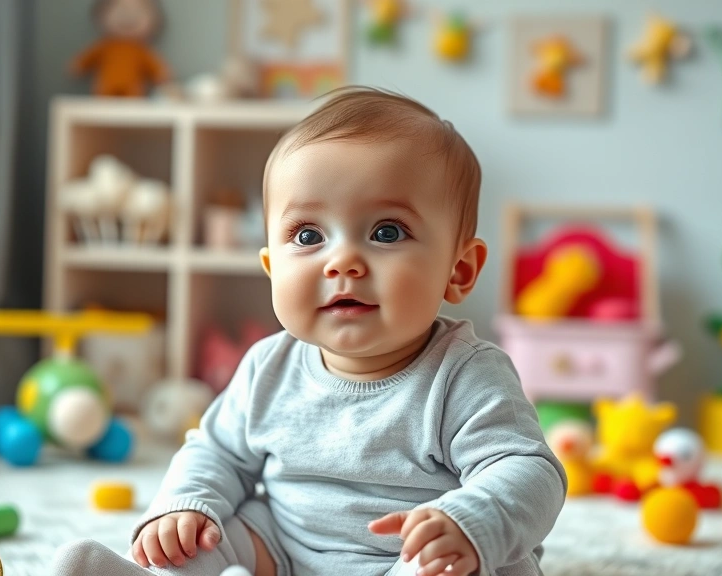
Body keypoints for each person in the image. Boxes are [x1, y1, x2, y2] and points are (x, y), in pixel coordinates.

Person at [52, 86, 566, 576]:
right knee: (212, 536)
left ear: (459, 270)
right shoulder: (267, 367)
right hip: (282, 551)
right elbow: (216, 452)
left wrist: (470, 520)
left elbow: (530, 472)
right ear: (272, 266)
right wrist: (185, 509)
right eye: (308, 235)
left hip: (411, 558)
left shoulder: (465, 374)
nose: (342, 261)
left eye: (386, 232)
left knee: (455, 564)